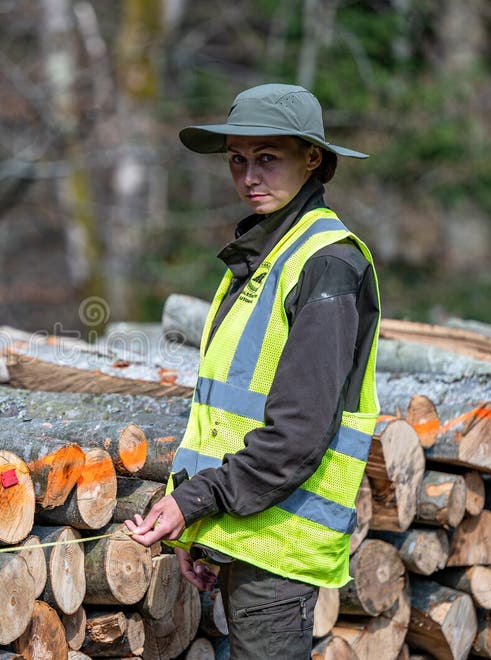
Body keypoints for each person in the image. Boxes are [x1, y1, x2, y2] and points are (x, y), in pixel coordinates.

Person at [124, 83, 381, 658]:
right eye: (237, 160)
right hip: (242, 530)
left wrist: (193, 503)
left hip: (278, 546)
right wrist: (200, 526)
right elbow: (224, 415)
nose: (248, 177)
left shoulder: (326, 261)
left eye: (268, 157)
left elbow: (297, 434)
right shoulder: (262, 253)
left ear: (312, 157)